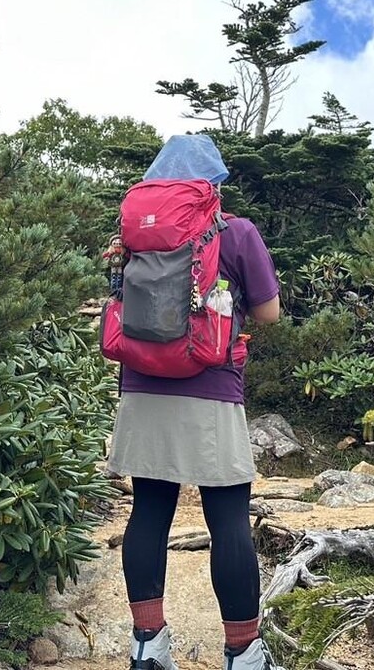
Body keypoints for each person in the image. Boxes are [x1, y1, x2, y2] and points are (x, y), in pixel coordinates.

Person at [108, 134, 283, 670]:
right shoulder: (237, 232)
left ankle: (148, 645)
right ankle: (243, 652)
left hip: (140, 388)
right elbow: (269, 313)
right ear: (213, 183)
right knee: (228, 519)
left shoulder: (134, 235)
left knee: (149, 512)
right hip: (211, 388)